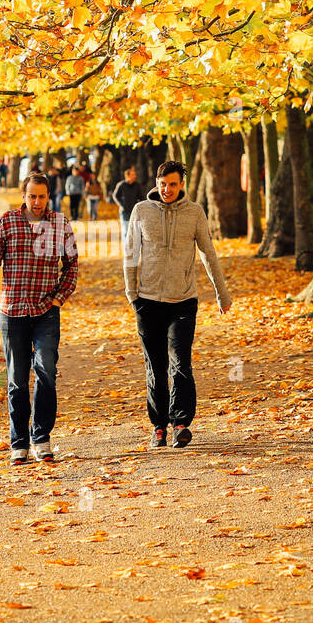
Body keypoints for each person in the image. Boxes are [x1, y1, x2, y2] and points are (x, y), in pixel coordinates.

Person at [123, 160, 232, 449]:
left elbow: (208, 252)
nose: (167, 189)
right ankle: (159, 426)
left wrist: (222, 293)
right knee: (155, 367)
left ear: (181, 184)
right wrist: (132, 294)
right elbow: (130, 255)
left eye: (172, 184)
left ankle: (181, 424)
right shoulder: (140, 211)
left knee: (180, 363)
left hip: (183, 300)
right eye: (162, 184)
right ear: (156, 184)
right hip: (147, 301)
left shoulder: (195, 213)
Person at [0, 173, 79, 463]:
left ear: (49, 196)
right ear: (23, 196)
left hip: (46, 311)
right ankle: (18, 443)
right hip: (13, 312)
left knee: (46, 370)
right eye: (32, 196)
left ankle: (41, 438)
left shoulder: (60, 224)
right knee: (17, 380)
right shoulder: (7, 222)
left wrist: (59, 297)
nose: (37, 201)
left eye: (42, 196)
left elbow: (71, 267)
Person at [110, 165, 144, 242]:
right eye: (133, 175)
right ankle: (126, 250)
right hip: (124, 212)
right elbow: (115, 196)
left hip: (134, 212)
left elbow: (141, 197)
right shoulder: (121, 185)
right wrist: (121, 205)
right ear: (127, 176)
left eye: (135, 175)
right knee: (125, 231)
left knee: (135, 231)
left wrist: (140, 207)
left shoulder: (137, 185)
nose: (135, 176)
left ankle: (133, 249)